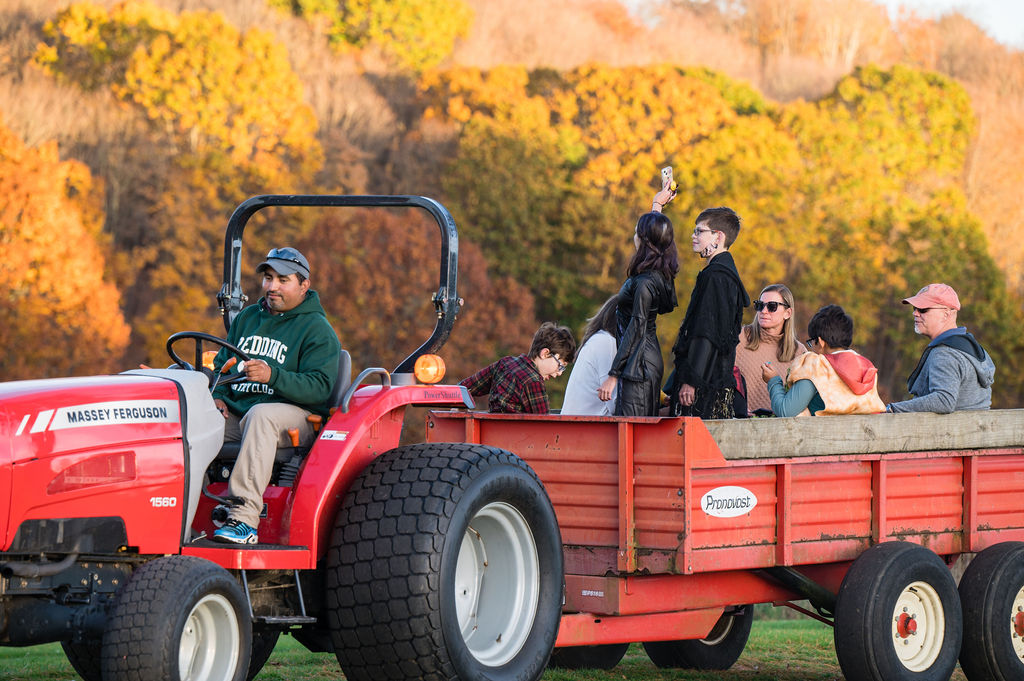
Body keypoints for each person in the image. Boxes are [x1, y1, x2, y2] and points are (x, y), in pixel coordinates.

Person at [211, 247, 342, 544]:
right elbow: (221, 366)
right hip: (239, 411)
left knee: (262, 416)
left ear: (303, 285)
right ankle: (179, 509)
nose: (272, 287)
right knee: (192, 416)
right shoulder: (246, 319)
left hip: (296, 416)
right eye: (269, 278)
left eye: (283, 280)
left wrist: (273, 376)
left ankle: (243, 521)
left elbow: (320, 387)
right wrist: (217, 396)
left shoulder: (317, 330)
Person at [662, 202, 749, 419]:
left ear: (718, 237)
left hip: (704, 386)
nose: (693, 236)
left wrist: (691, 381)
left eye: (699, 231)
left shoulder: (716, 277)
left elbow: (706, 333)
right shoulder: (726, 275)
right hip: (715, 379)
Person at [598, 212, 679, 416]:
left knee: (632, 431)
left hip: (639, 366)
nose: (633, 236)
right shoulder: (659, 274)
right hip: (642, 361)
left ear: (644, 240)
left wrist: (613, 374)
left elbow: (636, 327)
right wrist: (657, 205)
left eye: (636, 233)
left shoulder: (645, 282)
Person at [886, 283, 995, 413]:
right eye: (914, 308)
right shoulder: (973, 347)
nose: (915, 313)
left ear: (946, 314)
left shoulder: (945, 352)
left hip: (951, 432)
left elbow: (944, 400)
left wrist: (892, 409)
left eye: (923, 309)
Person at [761, 304, 884, 416]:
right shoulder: (867, 367)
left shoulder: (817, 366)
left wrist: (773, 380)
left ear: (820, 342)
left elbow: (785, 411)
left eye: (811, 343)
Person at [461, 322, 577, 414]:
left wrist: (456, 405)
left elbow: (465, 387)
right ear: (545, 353)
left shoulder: (504, 364)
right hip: (519, 440)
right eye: (560, 366)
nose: (559, 373)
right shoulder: (534, 382)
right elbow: (545, 426)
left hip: (492, 436)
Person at [734, 284, 807, 415]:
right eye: (760, 305)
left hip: (780, 429)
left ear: (787, 313)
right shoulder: (739, 338)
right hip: (737, 424)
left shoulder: (799, 352)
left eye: (772, 306)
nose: (764, 311)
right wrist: (736, 408)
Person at [562, 296, 619, 416]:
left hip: (576, 426)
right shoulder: (607, 343)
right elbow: (614, 403)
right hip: (587, 430)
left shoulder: (598, 339)